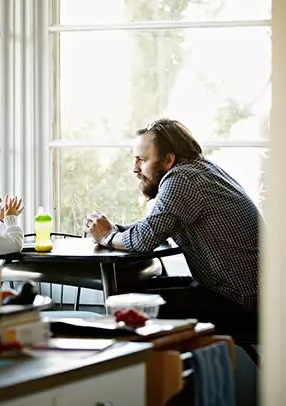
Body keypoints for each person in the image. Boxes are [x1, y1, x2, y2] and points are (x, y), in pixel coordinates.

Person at [84, 118, 262, 340]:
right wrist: (117, 229)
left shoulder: (182, 179)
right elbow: (158, 224)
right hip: (246, 296)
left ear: (168, 159)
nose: (135, 168)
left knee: (131, 307)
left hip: (242, 303)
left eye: (142, 159)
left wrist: (108, 236)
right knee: (137, 295)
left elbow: (145, 239)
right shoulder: (201, 170)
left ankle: (153, 371)